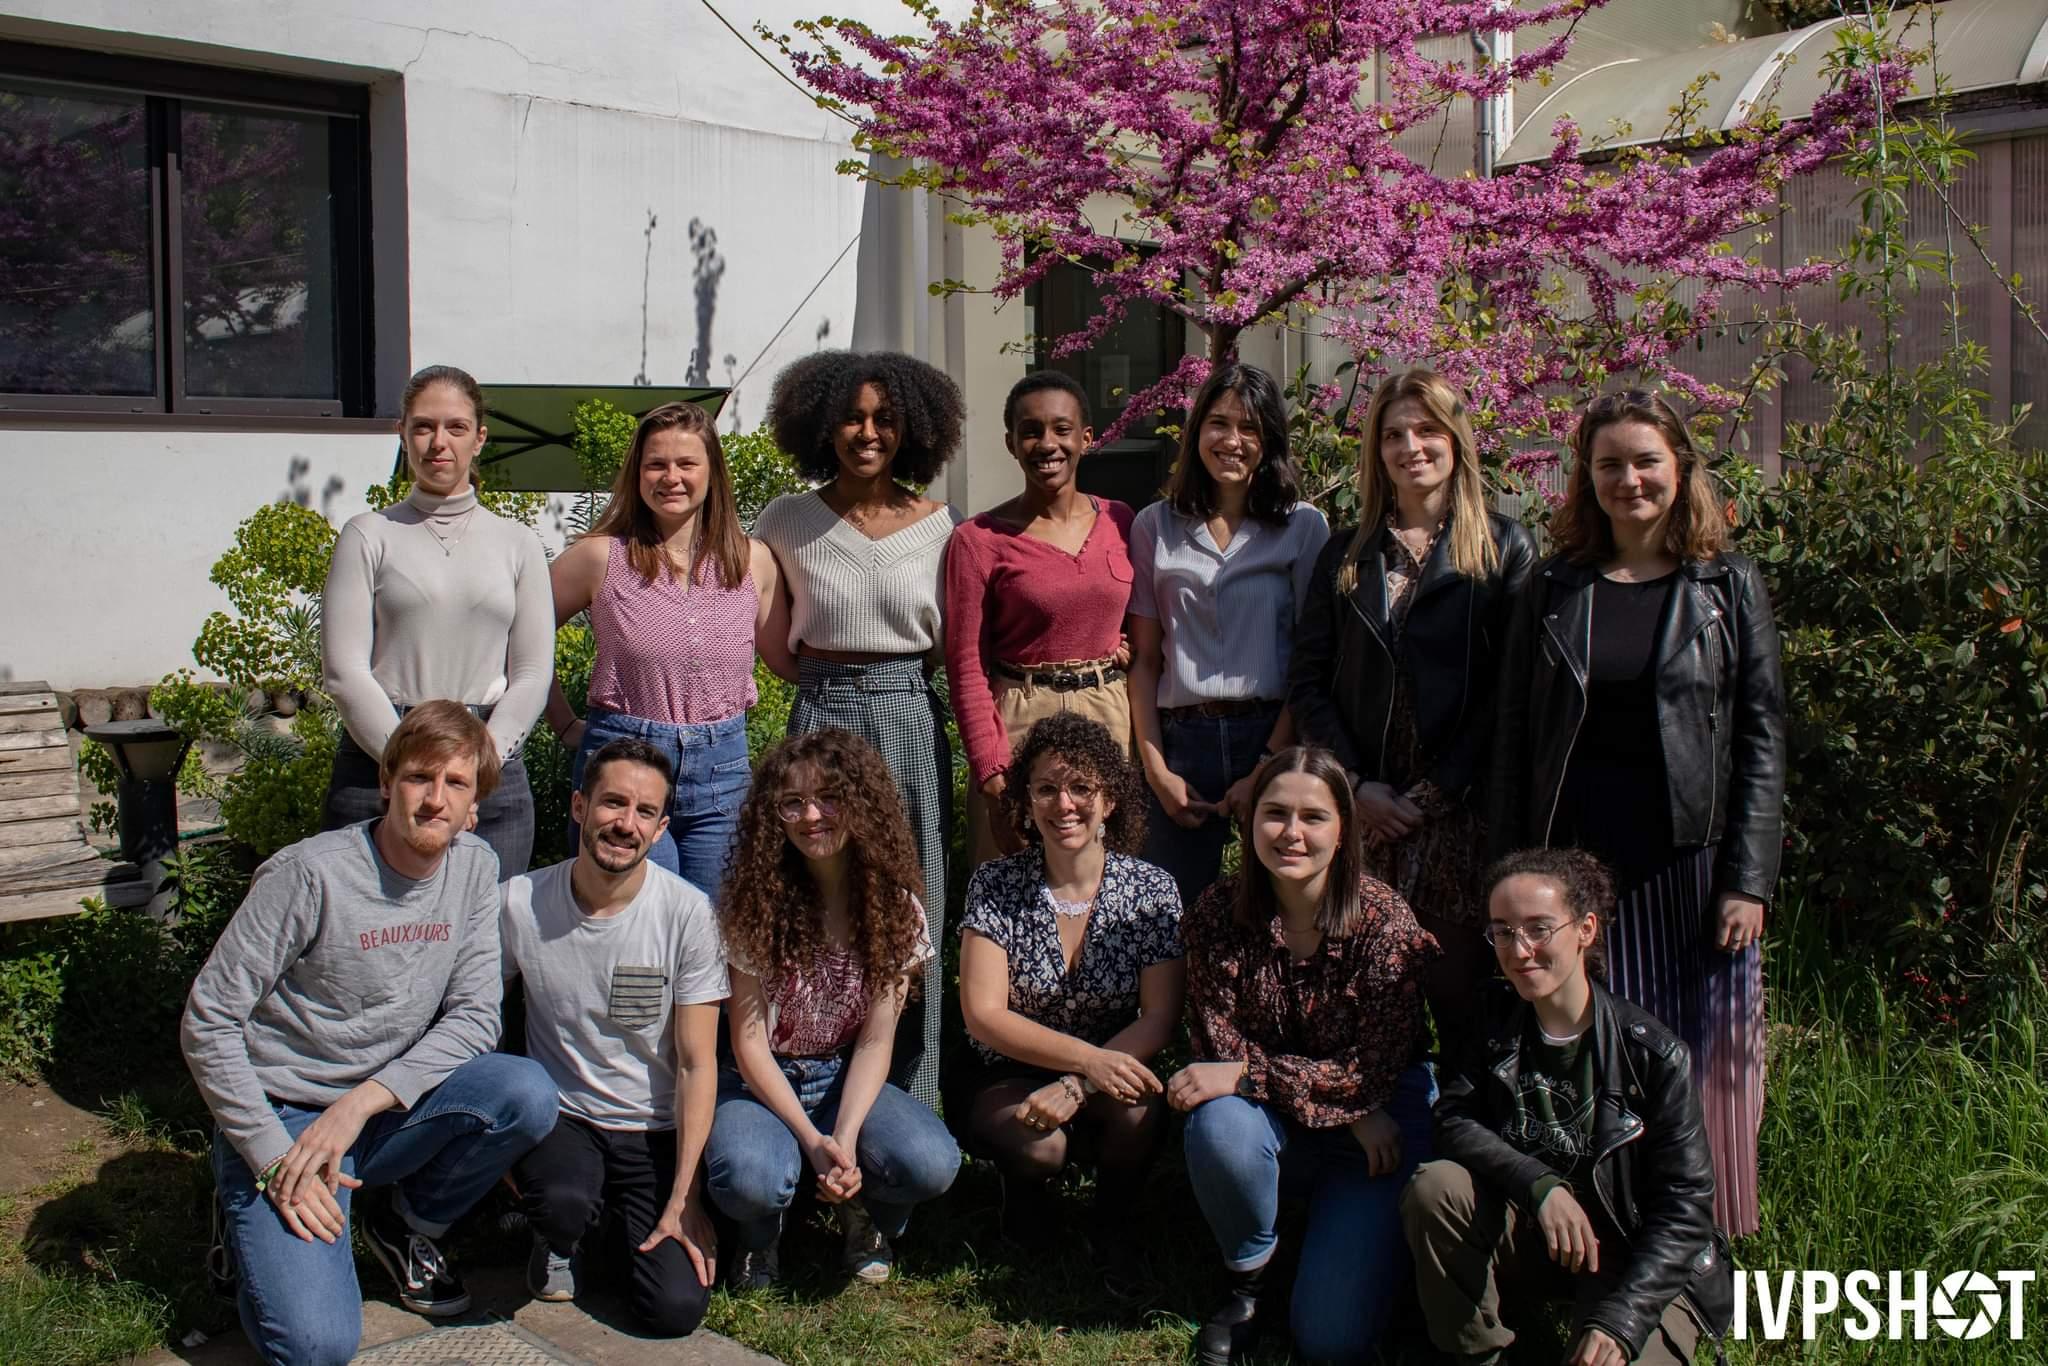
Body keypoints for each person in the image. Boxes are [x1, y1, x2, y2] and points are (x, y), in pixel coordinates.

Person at [182, 702, 557, 1366]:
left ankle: (405, 1221)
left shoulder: (472, 867)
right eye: (419, 778)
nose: (435, 800)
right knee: (317, 1346)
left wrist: (360, 1105)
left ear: (476, 805)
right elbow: (209, 1020)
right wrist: (270, 1154)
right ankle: (246, 1201)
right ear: (387, 782)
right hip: (289, 1115)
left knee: (524, 1093)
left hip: (382, 1111)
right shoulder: (310, 874)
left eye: (456, 784)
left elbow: (475, 1017)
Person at [1491, 388, 1785, 1237]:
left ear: (1680, 469)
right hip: (1581, 874)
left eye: (1647, 461)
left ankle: (1706, 1239)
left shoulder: (1727, 586)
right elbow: (1515, 733)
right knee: (1600, 1058)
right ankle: (1614, 1230)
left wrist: (1748, 878)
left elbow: (1762, 739)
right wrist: (1513, 872)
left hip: (1693, 870)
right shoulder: (1552, 587)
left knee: (1713, 1064)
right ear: (1586, 477)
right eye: (1609, 463)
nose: (1630, 480)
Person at [1402, 848, 1732, 1366]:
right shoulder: (1491, 1020)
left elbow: (1685, 1211)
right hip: (1536, 1237)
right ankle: (1478, 1354)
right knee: (1435, 1187)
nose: (1521, 949)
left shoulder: (1653, 1054)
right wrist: (1541, 1186)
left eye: (1539, 928)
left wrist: (1622, 1322)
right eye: (1504, 931)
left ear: (1585, 929)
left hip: (1630, 1258)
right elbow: (1452, 1119)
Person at [1289, 367, 1534, 1064]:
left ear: (1455, 441)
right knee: (1358, 998)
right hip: (1366, 815)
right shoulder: (1346, 554)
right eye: (1394, 434)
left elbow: (1510, 692)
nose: (1411, 446)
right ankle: (1368, 1147)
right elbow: (1308, 682)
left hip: (1458, 816)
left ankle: (1465, 1154)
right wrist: (1355, 786)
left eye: (1427, 430)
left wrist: (1437, 791)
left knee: (1461, 995)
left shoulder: (1504, 550)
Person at [1169, 746, 1439, 1365]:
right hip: (1284, 1119)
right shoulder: (1216, 912)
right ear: (1250, 822)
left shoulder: (1385, 922)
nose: (1292, 833)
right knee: (1219, 1125)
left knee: (1330, 1341)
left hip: (1377, 1132)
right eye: (1275, 813)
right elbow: (1220, 1045)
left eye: (1313, 817)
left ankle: (1336, 1252)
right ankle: (1250, 1278)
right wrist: (1335, 1101)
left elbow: (1372, 1068)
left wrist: (1254, 1076)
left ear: (1344, 830)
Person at [755, 350, 966, 1108]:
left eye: (883, 417)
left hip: (909, 714)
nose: (866, 432)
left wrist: (892, 682)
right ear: (821, 424)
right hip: (821, 712)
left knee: (914, 901)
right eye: (851, 415)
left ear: (912, 427)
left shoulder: (942, 525)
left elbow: (946, 640)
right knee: (816, 896)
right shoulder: (785, 519)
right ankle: (810, 1089)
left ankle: (912, 1098)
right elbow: (774, 640)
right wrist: (827, 683)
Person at [704, 730, 960, 1291]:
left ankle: (864, 1216)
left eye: (828, 798)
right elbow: (747, 1044)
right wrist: (809, 1137)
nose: (810, 816)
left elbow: (876, 1040)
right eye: (792, 802)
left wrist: (840, 1138)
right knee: (749, 1177)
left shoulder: (897, 910)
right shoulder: (753, 904)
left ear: (860, 804)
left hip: (842, 1075)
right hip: (760, 1082)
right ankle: (760, 1234)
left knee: (931, 1162)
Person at [500, 738, 729, 1336]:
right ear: (579, 807)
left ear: (660, 829)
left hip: (650, 1128)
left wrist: (686, 1198)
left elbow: (697, 1064)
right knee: (562, 1204)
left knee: (673, 1311)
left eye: (645, 812)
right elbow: (472, 1013)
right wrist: (497, 1137)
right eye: (613, 803)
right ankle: (559, 1230)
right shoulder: (521, 902)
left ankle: (602, 1232)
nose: (626, 824)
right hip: (563, 1117)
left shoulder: (687, 915)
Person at [954, 713, 1183, 1283]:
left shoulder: (1151, 890)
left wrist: (1080, 1083)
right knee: (1041, 1148)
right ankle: (1026, 1201)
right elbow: (983, 1015)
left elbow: (1160, 1016)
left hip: (1108, 1068)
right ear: (1027, 802)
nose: (1065, 804)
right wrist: (1085, 1061)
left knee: (1138, 1112)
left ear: (1109, 800)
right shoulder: (995, 883)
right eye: (1047, 789)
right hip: (1006, 1071)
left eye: (1082, 788)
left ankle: (1113, 1222)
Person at [542, 400, 794, 894]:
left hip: (722, 772)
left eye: (686, 464)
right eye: (656, 464)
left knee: (715, 932)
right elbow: (522, 634)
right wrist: (562, 720)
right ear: (637, 473)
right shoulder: (600, 557)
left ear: (712, 472)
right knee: (630, 927)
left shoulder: (753, 562)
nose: (670, 477)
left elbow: (786, 660)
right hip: (622, 763)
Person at [323, 364, 553, 877]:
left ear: (480, 439)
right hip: (379, 763)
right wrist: (410, 768)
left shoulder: (517, 544)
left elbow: (533, 674)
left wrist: (475, 771)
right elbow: (343, 671)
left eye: (455, 427)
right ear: (402, 434)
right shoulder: (368, 536)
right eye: (423, 426)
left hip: (491, 765)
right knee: (371, 936)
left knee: (483, 941)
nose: (438, 443)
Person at [1127, 362, 1329, 903]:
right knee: (1169, 909)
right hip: (1181, 742)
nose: (1231, 441)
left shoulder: (1303, 526)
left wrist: (1267, 762)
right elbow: (1145, 661)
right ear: (1197, 433)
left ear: (1270, 441)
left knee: (1278, 903)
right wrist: (1157, 772)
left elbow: (1310, 660)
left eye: (1250, 428)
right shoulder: (1155, 525)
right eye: (1218, 424)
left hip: (1270, 735)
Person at [945, 371, 1136, 867]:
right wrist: (989, 766)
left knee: (1104, 879)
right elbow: (965, 661)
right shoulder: (978, 540)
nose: (1046, 444)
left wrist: (1123, 641)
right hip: (1021, 714)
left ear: (1087, 439)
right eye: (1030, 431)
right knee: (1012, 878)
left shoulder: (1122, 521)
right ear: (1011, 442)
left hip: (1107, 710)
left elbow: (1143, 611)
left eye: (1061, 429)